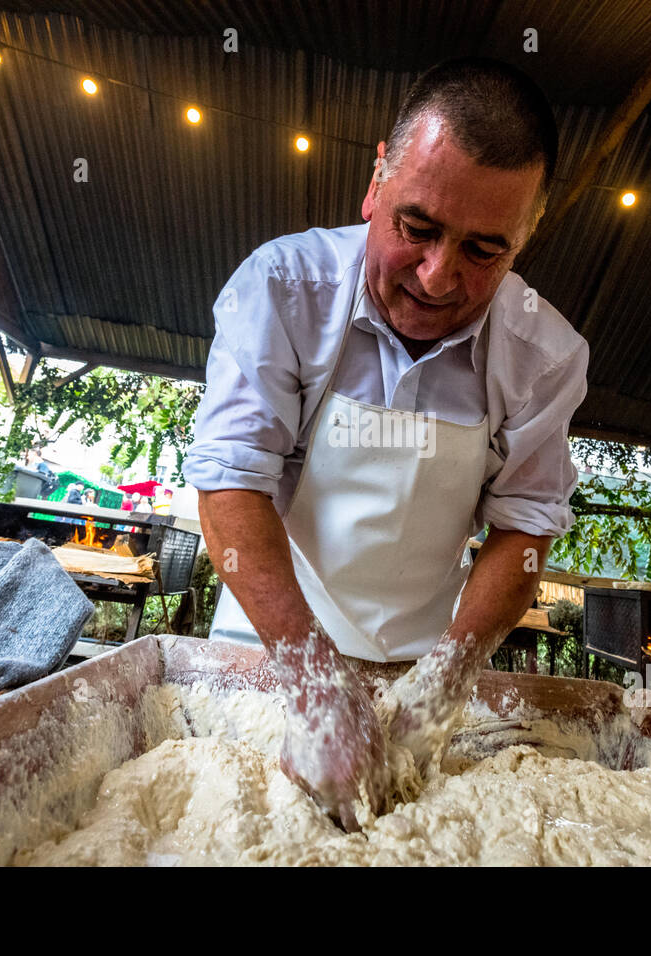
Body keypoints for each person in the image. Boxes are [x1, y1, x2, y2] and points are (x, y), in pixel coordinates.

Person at [183, 58, 586, 830]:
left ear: (526, 238)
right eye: (418, 229)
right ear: (376, 184)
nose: (438, 278)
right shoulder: (284, 289)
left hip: (422, 668)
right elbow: (230, 483)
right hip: (263, 655)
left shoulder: (546, 355)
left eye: (483, 250)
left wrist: (441, 687)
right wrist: (310, 683)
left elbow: (525, 530)